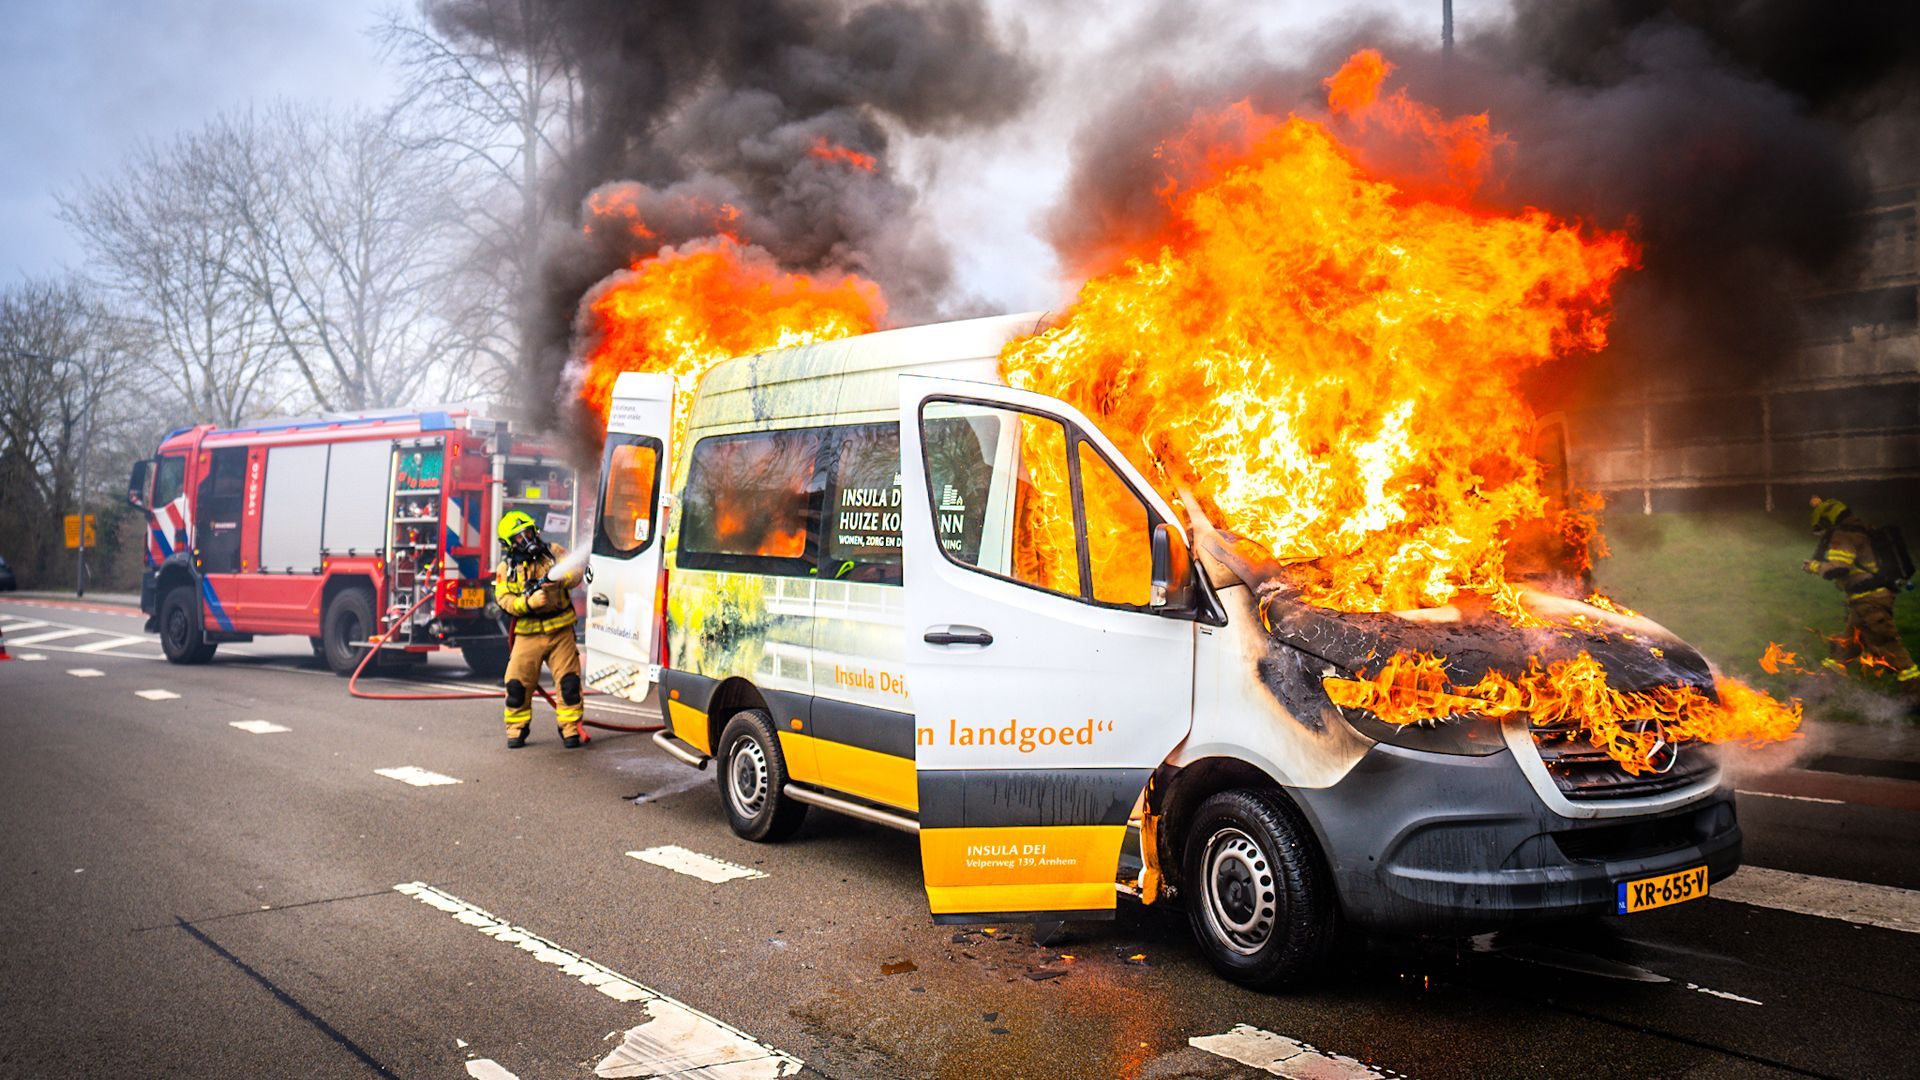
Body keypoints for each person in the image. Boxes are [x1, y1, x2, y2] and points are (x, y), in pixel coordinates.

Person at [1804, 497, 1918, 699]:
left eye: (1823, 526)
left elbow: (1839, 568)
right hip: (1864, 602)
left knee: (1888, 646)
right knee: (1845, 647)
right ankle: (1821, 688)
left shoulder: (1844, 535)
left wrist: (1814, 567)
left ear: (1828, 520)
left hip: (1870, 602)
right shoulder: (1860, 530)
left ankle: (1915, 693)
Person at [493, 511, 586, 748]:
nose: (526, 539)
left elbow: (576, 574)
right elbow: (503, 598)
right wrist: (527, 603)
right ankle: (516, 729)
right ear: (508, 544)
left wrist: (561, 578)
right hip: (528, 634)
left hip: (560, 631)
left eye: (528, 532)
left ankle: (570, 729)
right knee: (516, 685)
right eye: (518, 537)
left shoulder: (554, 553)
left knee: (569, 684)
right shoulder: (507, 568)